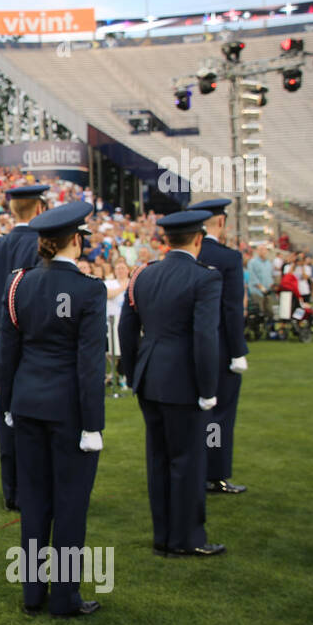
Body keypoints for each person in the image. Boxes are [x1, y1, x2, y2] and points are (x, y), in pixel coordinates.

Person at [0, 202, 106, 617]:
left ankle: (32, 594)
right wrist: (93, 424)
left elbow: (10, 352)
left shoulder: (18, 284)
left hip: (27, 405)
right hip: (67, 412)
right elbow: (90, 365)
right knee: (70, 506)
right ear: (76, 240)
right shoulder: (88, 289)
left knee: (35, 503)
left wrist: (7, 405)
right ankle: (64, 597)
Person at [117, 210, 226, 558]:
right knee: (188, 461)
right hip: (183, 380)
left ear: (165, 240)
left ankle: (164, 534)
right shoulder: (205, 278)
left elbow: (126, 329)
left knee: (159, 459)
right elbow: (205, 338)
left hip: (150, 376)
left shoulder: (144, 275)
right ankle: (187, 538)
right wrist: (209, 389)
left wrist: (134, 373)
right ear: (199, 239)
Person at [0, 185, 48, 511]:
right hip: (33, 348)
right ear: (40, 209)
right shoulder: (43, 244)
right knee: (37, 422)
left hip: (2, 348)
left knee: (7, 420)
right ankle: (34, 488)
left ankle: (11, 490)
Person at [189, 199, 250, 496]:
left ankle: (197, 470)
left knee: (197, 413)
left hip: (189, 346)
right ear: (221, 223)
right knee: (221, 415)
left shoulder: (191, 254)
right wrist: (238, 351)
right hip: (221, 347)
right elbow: (232, 309)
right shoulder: (228, 258)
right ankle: (216, 473)